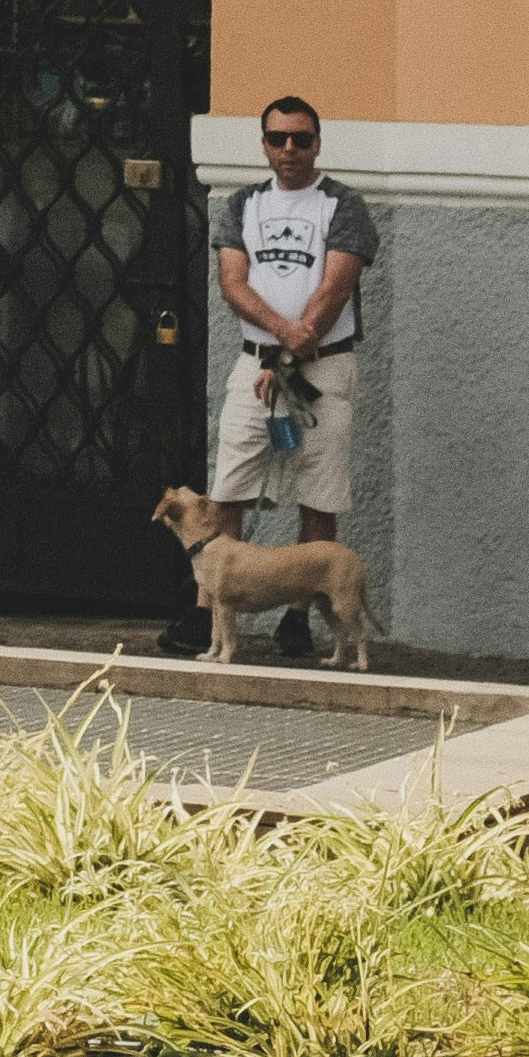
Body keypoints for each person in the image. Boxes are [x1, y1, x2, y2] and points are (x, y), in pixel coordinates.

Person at [198, 95, 377, 662]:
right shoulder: (244, 205)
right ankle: (209, 615)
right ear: (264, 145)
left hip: (324, 367)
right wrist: (279, 340)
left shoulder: (342, 204)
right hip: (256, 365)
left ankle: (298, 617)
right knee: (229, 487)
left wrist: (291, 357)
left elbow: (336, 287)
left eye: (302, 138)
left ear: (318, 143)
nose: (290, 149)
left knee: (319, 494)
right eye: (278, 139)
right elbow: (233, 282)